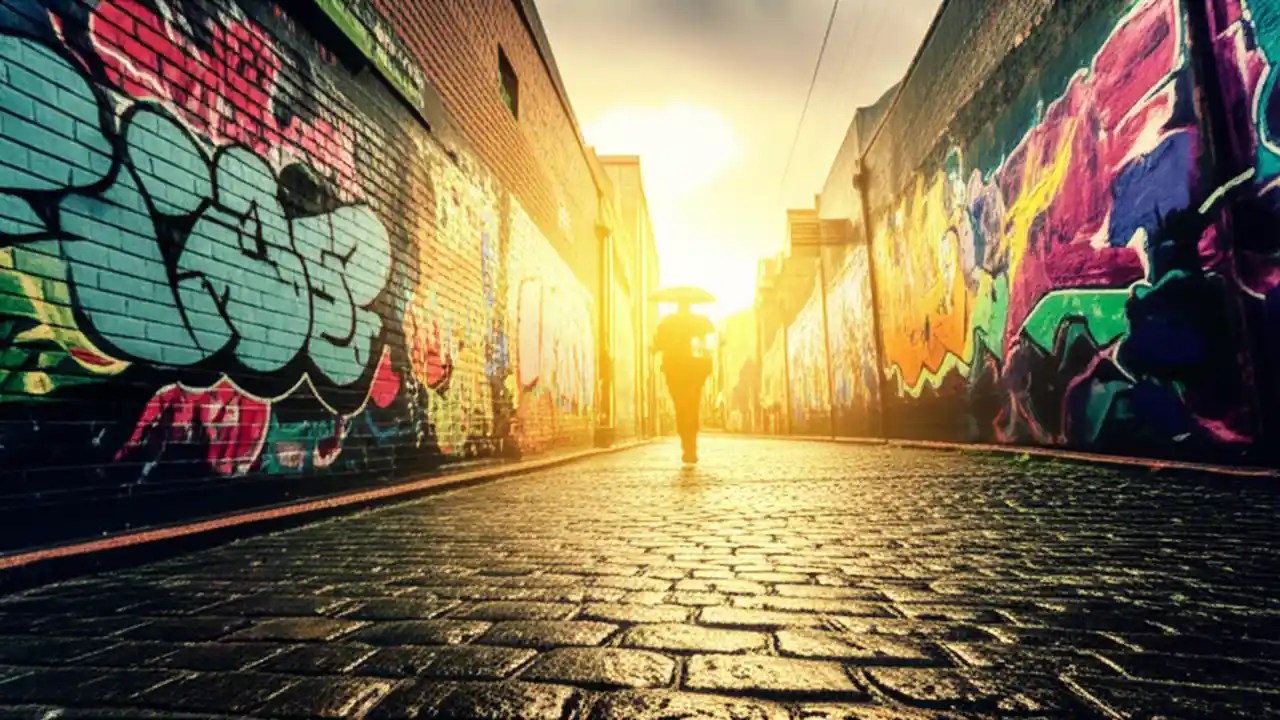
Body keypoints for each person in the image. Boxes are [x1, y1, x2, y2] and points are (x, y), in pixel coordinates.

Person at [653, 301, 714, 463]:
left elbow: (657, 344)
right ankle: (691, 447)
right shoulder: (697, 322)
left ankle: (686, 446)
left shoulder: (667, 323)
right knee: (692, 407)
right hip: (692, 371)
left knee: (681, 407)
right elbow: (705, 340)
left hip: (675, 371)